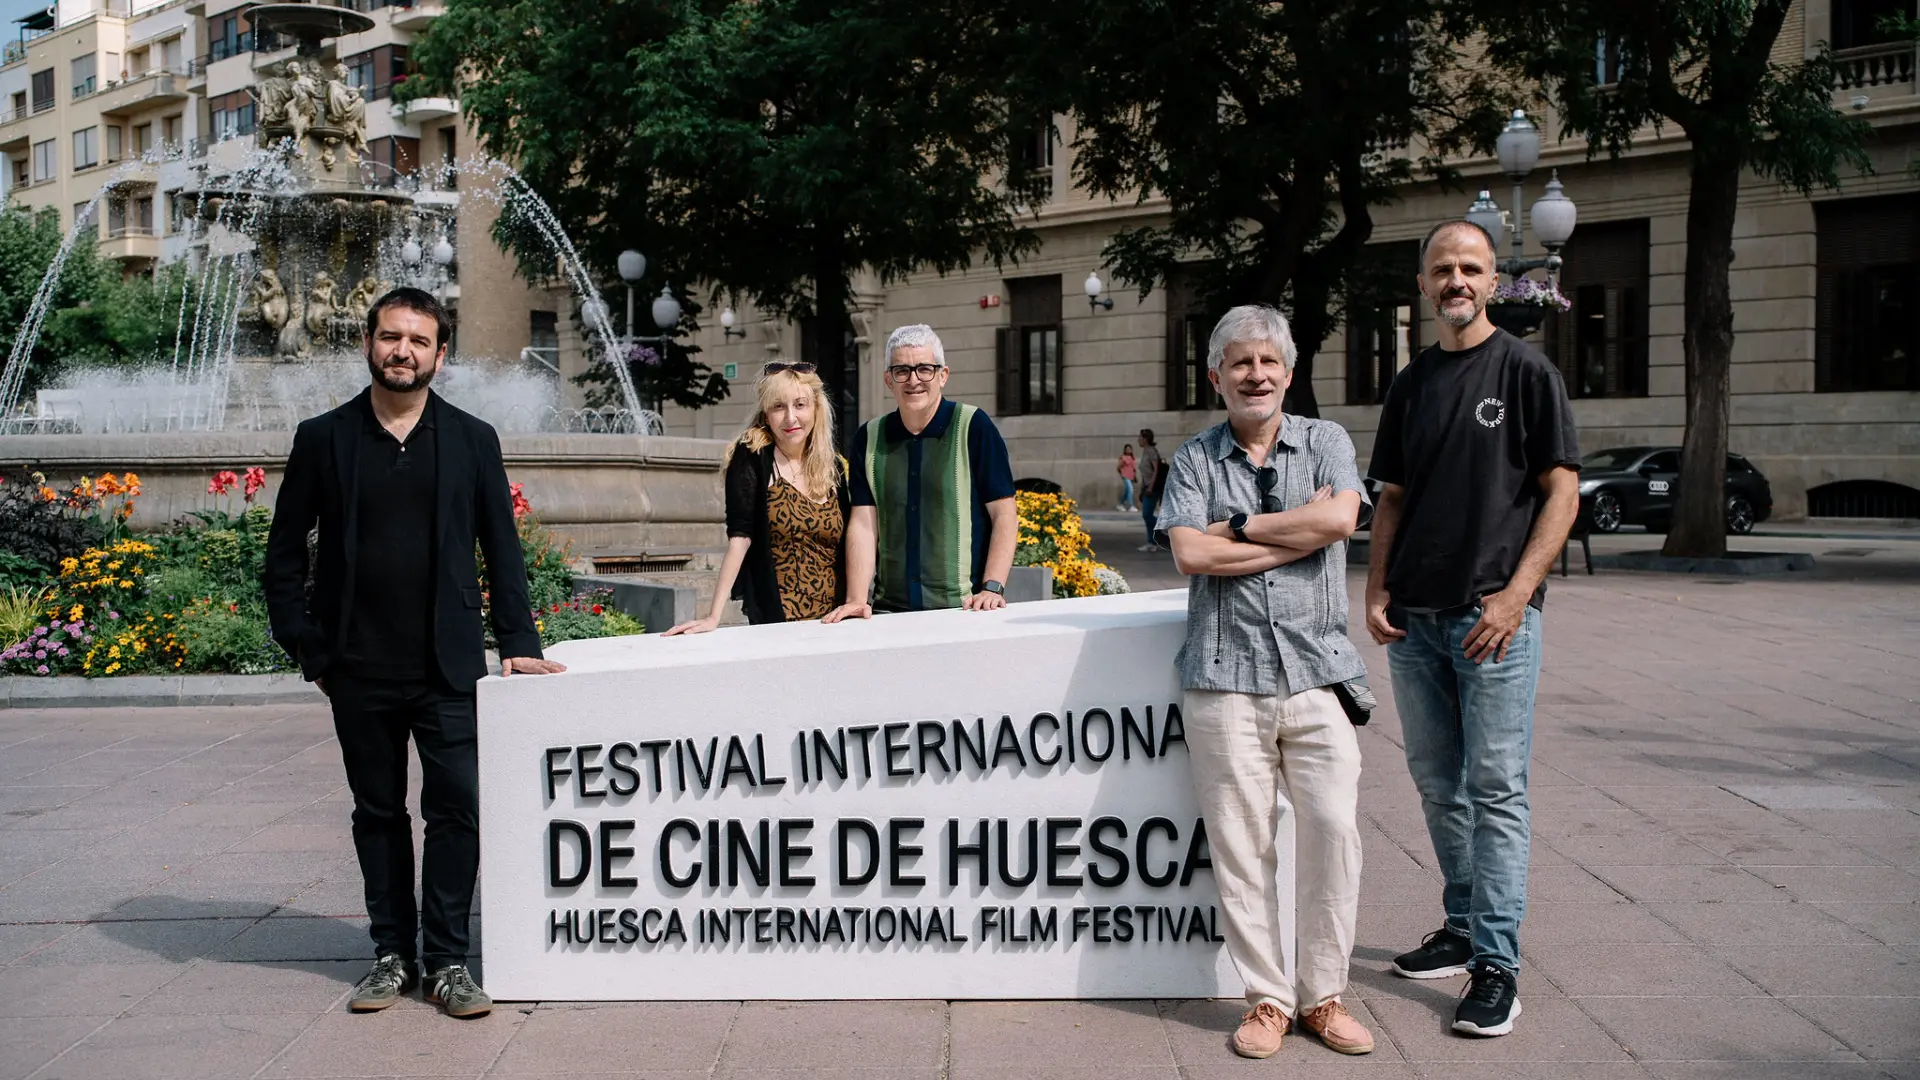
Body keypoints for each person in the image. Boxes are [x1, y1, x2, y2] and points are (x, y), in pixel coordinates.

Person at [262, 287, 566, 1019]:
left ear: (440, 354)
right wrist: (311, 649)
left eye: (418, 340)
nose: (403, 350)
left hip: (449, 663)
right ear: (369, 343)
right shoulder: (324, 438)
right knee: (378, 813)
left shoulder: (471, 438)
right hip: (357, 664)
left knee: (457, 809)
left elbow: (502, 547)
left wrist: (518, 644)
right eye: (391, 337)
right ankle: (391, 955)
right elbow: (281, 558)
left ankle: (450, 961)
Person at [1364, 220, 1580, 1038]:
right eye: (1442, 269)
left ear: (1494, 281)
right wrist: (1377, 589)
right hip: (1415, 621)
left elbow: (1562, 491)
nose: (1456, 281)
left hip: (1494, 620)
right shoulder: (1412, 382)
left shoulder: (1526, 372)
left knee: (1496, 791)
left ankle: (1497, 964)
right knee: (1436, 782)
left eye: (1471, 268)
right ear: (1423, 284)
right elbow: (1391, 498)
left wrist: (1517, 595)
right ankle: (1460, 924)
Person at [1155, 305, 1374, 1060]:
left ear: (1289, 371)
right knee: (1242, 844)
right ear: (1216, 376)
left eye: (1267, 362)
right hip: (1224, 676)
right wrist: (1290, 531)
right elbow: (1189, 554)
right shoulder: (1192, 460)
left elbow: (1342, 520)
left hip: (1318, 671)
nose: (1256, 374)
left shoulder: (1328, 443)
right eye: (1239, 363)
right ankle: (1268, 1000)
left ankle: (1325, 995)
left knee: (1334, 831)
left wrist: (1238, 528)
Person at [825, 324, 1016, 620]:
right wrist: (856, 599)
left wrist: (992, 587)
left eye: (924, 369)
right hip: (890, 611)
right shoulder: (870, 437)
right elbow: (863, 523)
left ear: (943, 375)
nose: (913, 380)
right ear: (889, 380)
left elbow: (1004, 514)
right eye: (902, 370)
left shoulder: (973, 426)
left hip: (963, 609)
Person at [665, 361, 851, 633]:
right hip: (779, 623)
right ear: (765, 413)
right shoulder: (752, 456)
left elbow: (852, 539)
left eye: (800, 405)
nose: (790, 418)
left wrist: (856, 601)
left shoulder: (832, 466)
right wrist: (713, 616)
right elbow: (740, 537)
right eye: (779, 406)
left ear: (816, 409)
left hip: (835, 622)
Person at [1136, 427, 1165, 552]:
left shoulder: (1151, 451)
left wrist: (1150, 487)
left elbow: (1156, 470)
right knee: (1147, 515)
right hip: (1147, 487)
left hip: (1153, 488)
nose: (1138, 440)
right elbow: (1145, 473)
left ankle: (1161, 532)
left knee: (1147, 515)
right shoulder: (1145, 451)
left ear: (1146, 439)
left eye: (1140, 438)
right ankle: (1151, 541)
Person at [1117, 443, 1137, 511]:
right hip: (1125, 477)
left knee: (1127, 491)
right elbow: (1118, 467)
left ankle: (1120, 504)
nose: (1128, 450)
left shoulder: (1132, 458)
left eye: (1129, 449)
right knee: (1130, 490)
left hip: (1131, 476)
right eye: (1127, 449)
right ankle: (1131, 506)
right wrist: (1122, 473)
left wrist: (1135, 476)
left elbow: (1133, 468)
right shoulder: (1123, 457)